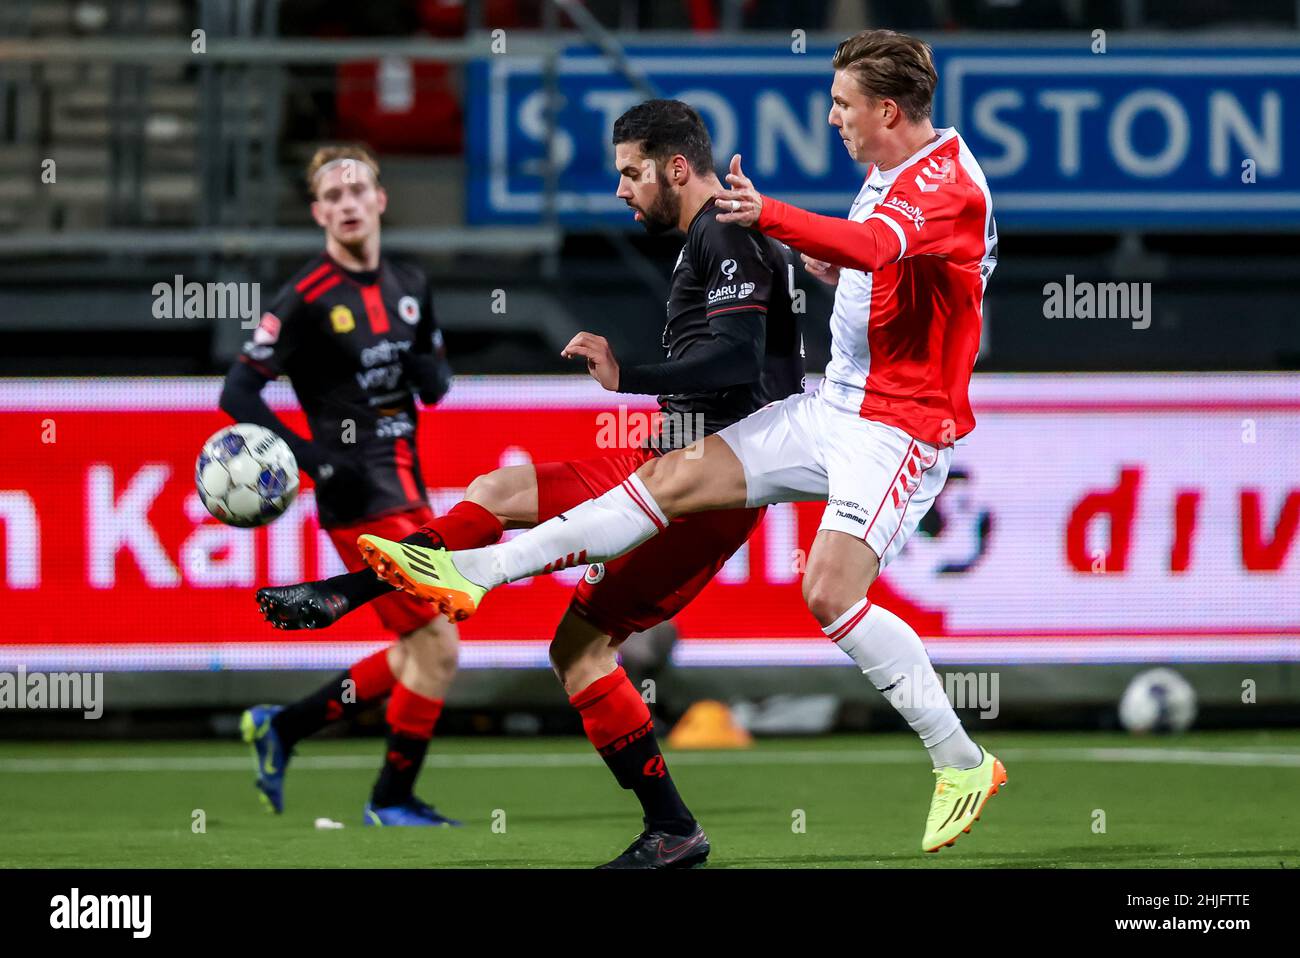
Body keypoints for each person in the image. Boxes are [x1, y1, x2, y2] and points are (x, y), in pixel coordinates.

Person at [359, 30, 1007, 854]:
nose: (833, 117)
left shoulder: (949, 180)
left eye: (844, 104)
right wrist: (835, 274)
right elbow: (886, 272)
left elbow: (880, 247)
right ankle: (480, 571)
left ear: (887, 110)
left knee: (829, 594)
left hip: (900, 427)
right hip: (833, 404)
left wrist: (771, 215)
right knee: (667, 477)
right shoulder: (886, 171)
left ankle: (960, 760)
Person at [260, 99, 804, 868]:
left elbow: (737, 362)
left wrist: (627, 374)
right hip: (673, 460)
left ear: (675, 167)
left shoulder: (725, 231)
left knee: (576, 637)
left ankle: (673, 829)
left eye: (630, 173)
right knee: (509, 504)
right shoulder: (714, 235)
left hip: (708, 485)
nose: (621, 189)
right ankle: (351, 592)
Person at [219, 144, 460, 826]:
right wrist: (308, 459)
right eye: (333, 195)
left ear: (380, 200)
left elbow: (436, 381)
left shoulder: (411, 283)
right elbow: (237, 389)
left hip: (407, 482)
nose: (348, 202)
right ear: (320, 212)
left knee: (420, 645)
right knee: (439, 642)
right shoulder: (304, 297)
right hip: (355, 495)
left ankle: (286, 727)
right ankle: (390, 799)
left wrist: (426, 372)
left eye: (358, 190)